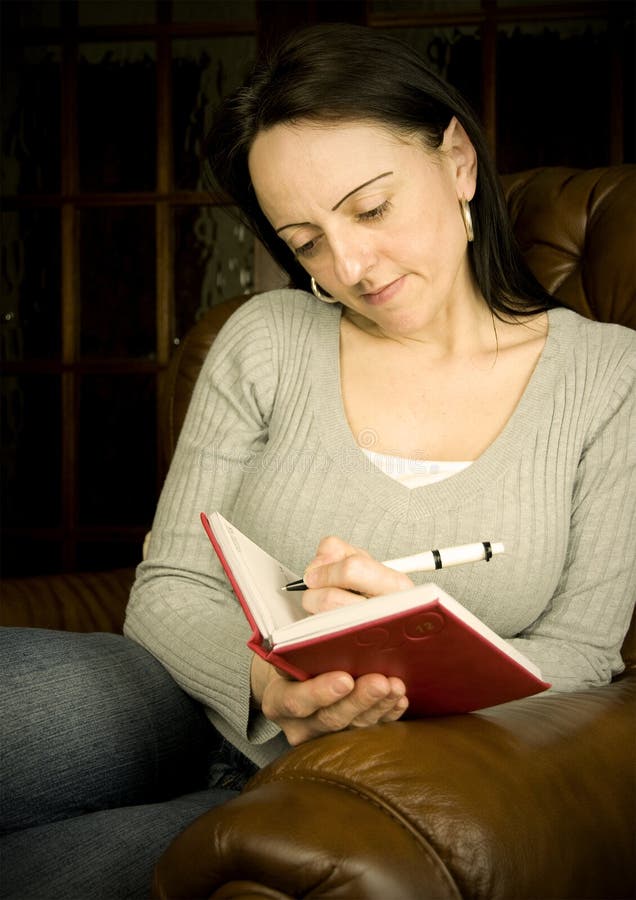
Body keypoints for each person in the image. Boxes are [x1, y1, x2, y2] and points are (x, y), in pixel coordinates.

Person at [2, 22, 634, 900]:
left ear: (457, 161)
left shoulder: (608, 377)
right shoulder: (266, 340)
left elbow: (583, 652)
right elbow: (172, 585)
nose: (350, 266)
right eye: (304, 242)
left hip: (365, 781)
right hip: (178, 701)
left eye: (371, 209)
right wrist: (268, 678)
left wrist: (408, 658)